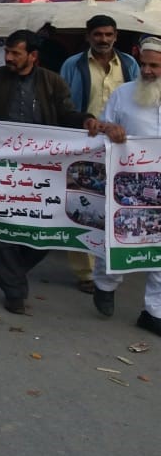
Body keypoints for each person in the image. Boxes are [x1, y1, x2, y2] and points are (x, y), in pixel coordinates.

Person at [0, 29, 124, 315]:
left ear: (33, 56)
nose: (9, 58)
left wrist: (87, 121)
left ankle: (15, 272)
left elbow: (67, 114)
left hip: (41, 170)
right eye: (7, 52)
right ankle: (14, 292)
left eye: (16, 53)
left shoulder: (52, 82)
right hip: (0, 167)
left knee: (47, 230)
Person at [59, 14, 140, 293]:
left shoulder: (129, 65)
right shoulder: (73, 65)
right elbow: (65, 102)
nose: (103, 39)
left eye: (108, 34)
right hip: (86, 142)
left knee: (119, 202)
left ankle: (114, 262)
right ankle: (85, 273)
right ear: (88, 37)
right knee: (84, 204)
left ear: (116, 36)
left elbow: (140, 98)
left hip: (121, 145)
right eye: (98, 35)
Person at [92, 36, 161, 335]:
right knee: (118, 238)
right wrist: (110, 129)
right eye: (144, 64)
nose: (146, 70)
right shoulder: (122, 94)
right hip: (128, 185)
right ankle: (105, 285)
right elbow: (100, 126)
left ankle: (153, 312)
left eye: (154, 66)